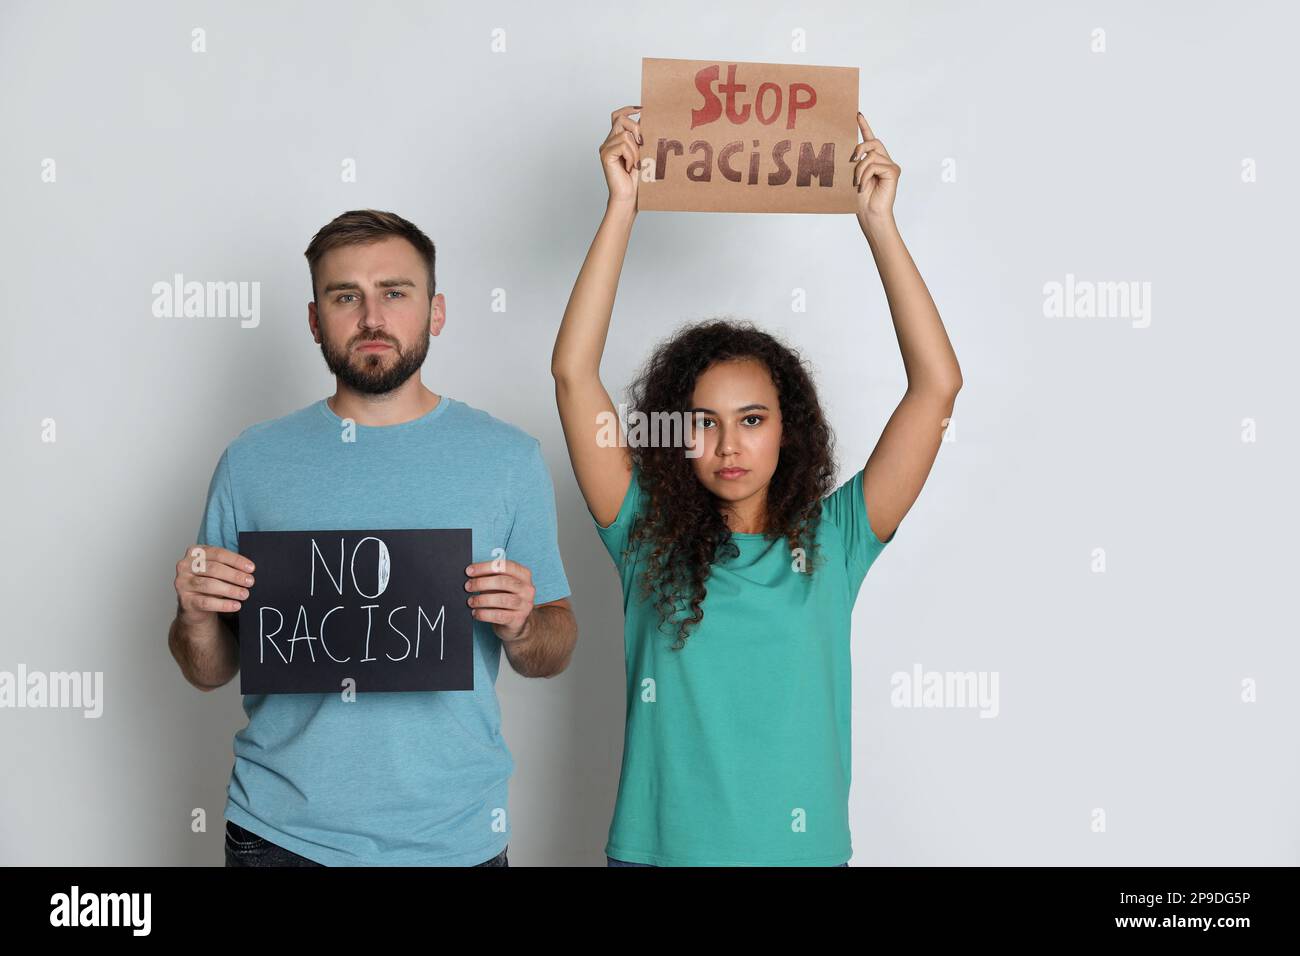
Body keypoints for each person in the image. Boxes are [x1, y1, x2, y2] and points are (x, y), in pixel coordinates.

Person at [551, 106, 962, 866]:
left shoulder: (837, 540)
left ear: (787, 429)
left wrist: (878, 224)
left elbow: (936, 387)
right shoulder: (643, 533)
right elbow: (574, 375)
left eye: (752, 419)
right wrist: (622, 207)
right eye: (703, 422)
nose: (729, 444)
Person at [169, 209, 576, 866]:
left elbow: (553, 647)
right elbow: (208, 669)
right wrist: (193, 618)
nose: (371, 317)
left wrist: (526, 628)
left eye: (395, 292)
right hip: (280, 836)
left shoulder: (507, 458)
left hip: (455, 839)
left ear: (435, 312)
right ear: (314, 321)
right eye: (345, 296)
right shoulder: (252, 461)